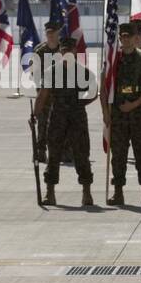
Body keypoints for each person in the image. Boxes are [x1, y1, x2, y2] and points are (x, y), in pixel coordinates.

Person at [33, 35, 96, 206]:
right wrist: (34, 115)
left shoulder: (82, 71)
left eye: (70, 50)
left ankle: (86, 193)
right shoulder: (51, 72)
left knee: (81, 154)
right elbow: (42, 96)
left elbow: (94, 91)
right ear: (60, 52)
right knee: (54, 155)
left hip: (77, 117)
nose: (67, 52)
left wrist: (81, 103)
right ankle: (50, 192)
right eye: (63, 50)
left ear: (75, 51)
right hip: (57, 116)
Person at [102, 22, 141, 206]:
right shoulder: (112, 61)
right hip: (118, 117)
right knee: (118, 156)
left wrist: (133, 104)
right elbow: (104, 89)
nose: (125, 40)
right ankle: (118, 192)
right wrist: (105, 113)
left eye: (128, 36)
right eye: (122, 37)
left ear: (136, 38)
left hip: (139, 115)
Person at [33, 21, 63, 161]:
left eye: (53, 33)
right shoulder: (39, 51)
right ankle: (40, 150)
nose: (50, 35)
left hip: (61, 94)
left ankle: (64, 150)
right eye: (48, 33)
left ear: (58, 33)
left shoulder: (64, 49)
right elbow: (35, 74)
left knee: (62, 123)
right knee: (43, 122)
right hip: (44, 94)